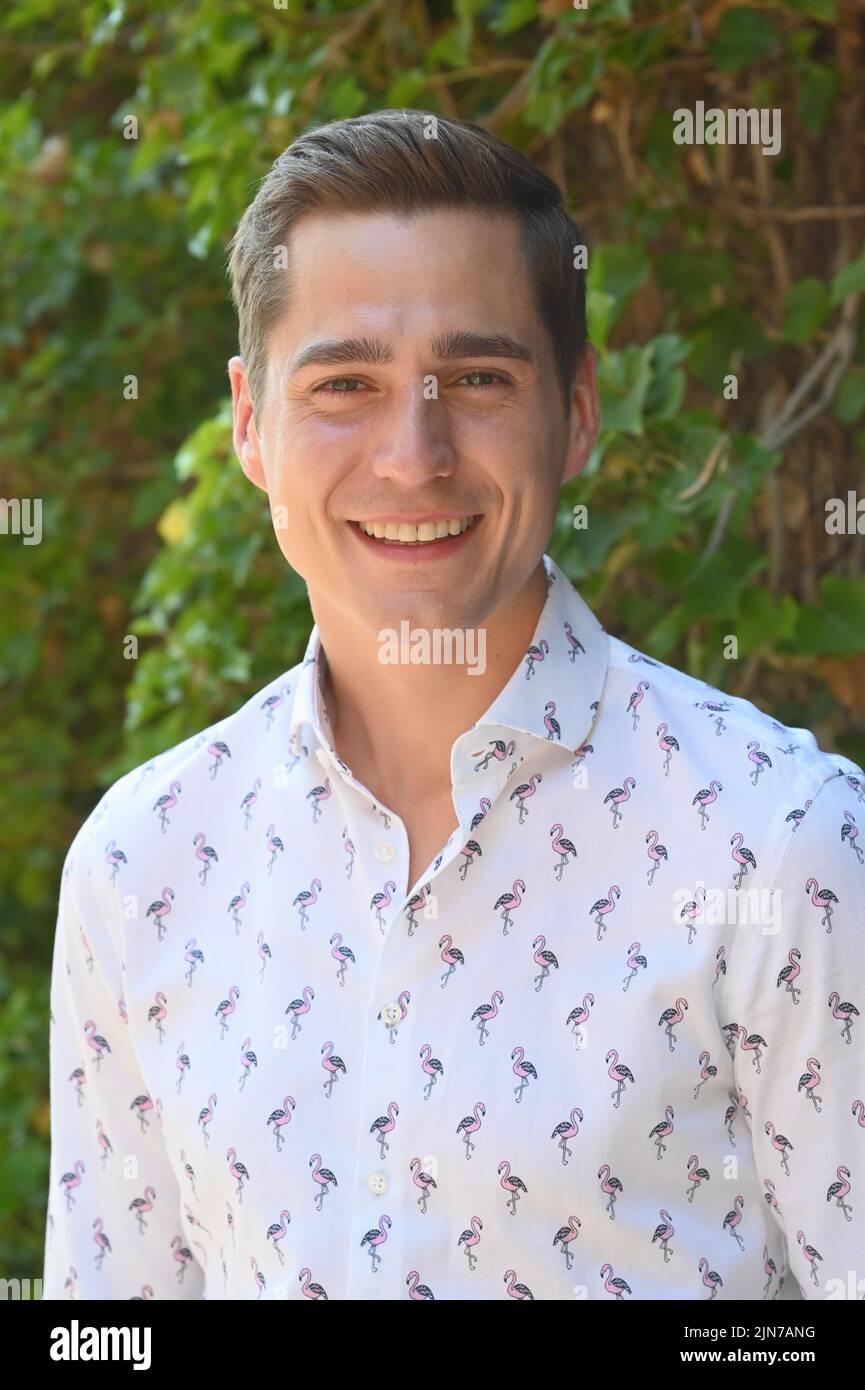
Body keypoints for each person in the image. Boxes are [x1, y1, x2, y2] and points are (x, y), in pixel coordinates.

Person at [43, 109, 864, 1301]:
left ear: (577, 409)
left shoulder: (789, 845)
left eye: (476, 377)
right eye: (344, 384)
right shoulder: (140, 865)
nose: (413, 453)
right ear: (247, 424)